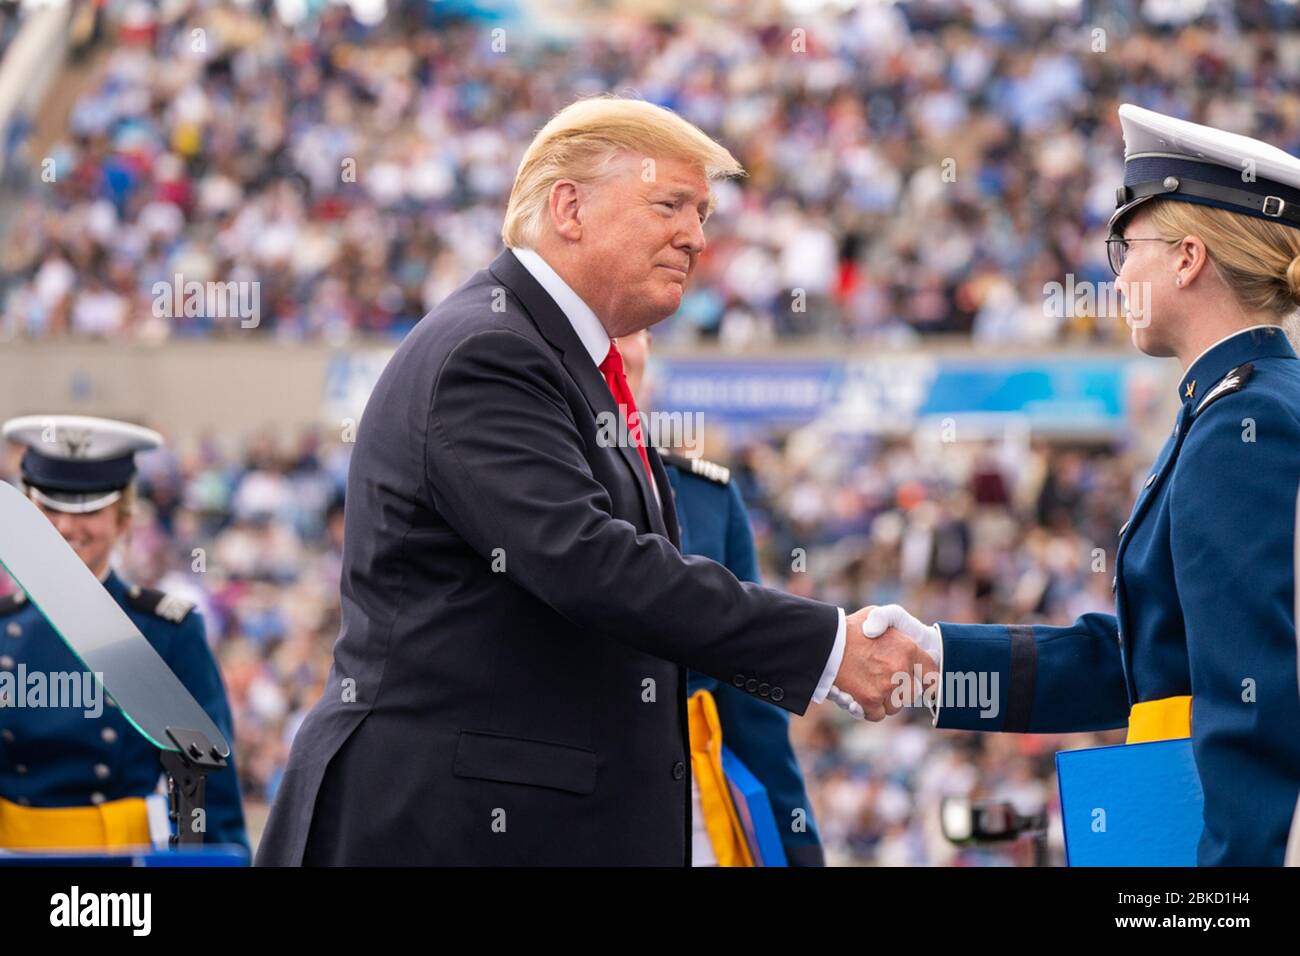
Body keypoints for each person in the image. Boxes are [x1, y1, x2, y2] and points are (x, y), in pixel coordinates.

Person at [256, 96, 931, 866]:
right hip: (442, 828)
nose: (697, 236)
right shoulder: (491, 351)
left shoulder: (557, 358)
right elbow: (588, 565)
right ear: (569, 208)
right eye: (670, 204)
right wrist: (828, 645)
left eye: (703, 211)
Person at [869, 104, 1300, 866]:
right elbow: (1141, 661)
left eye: (1125, 249)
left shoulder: (1246, 420)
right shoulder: (1243, 401)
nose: (1119, 274)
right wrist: (939, 664)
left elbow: (1249, 698)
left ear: (1188, 258)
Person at [618, 328, 826, 866]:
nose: (616, 347)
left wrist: (797, 846)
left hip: (685, 805)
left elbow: (748, 696)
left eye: (631, 330)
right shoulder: (519, 483)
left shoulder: (706, 496)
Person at [0, 415, 247, 852]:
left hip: (119, 870)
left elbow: (209, 781)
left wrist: (218, 857)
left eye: (90, 510)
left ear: (123, 518)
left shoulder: (167, 630)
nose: (67, 528)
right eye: (50, 508)